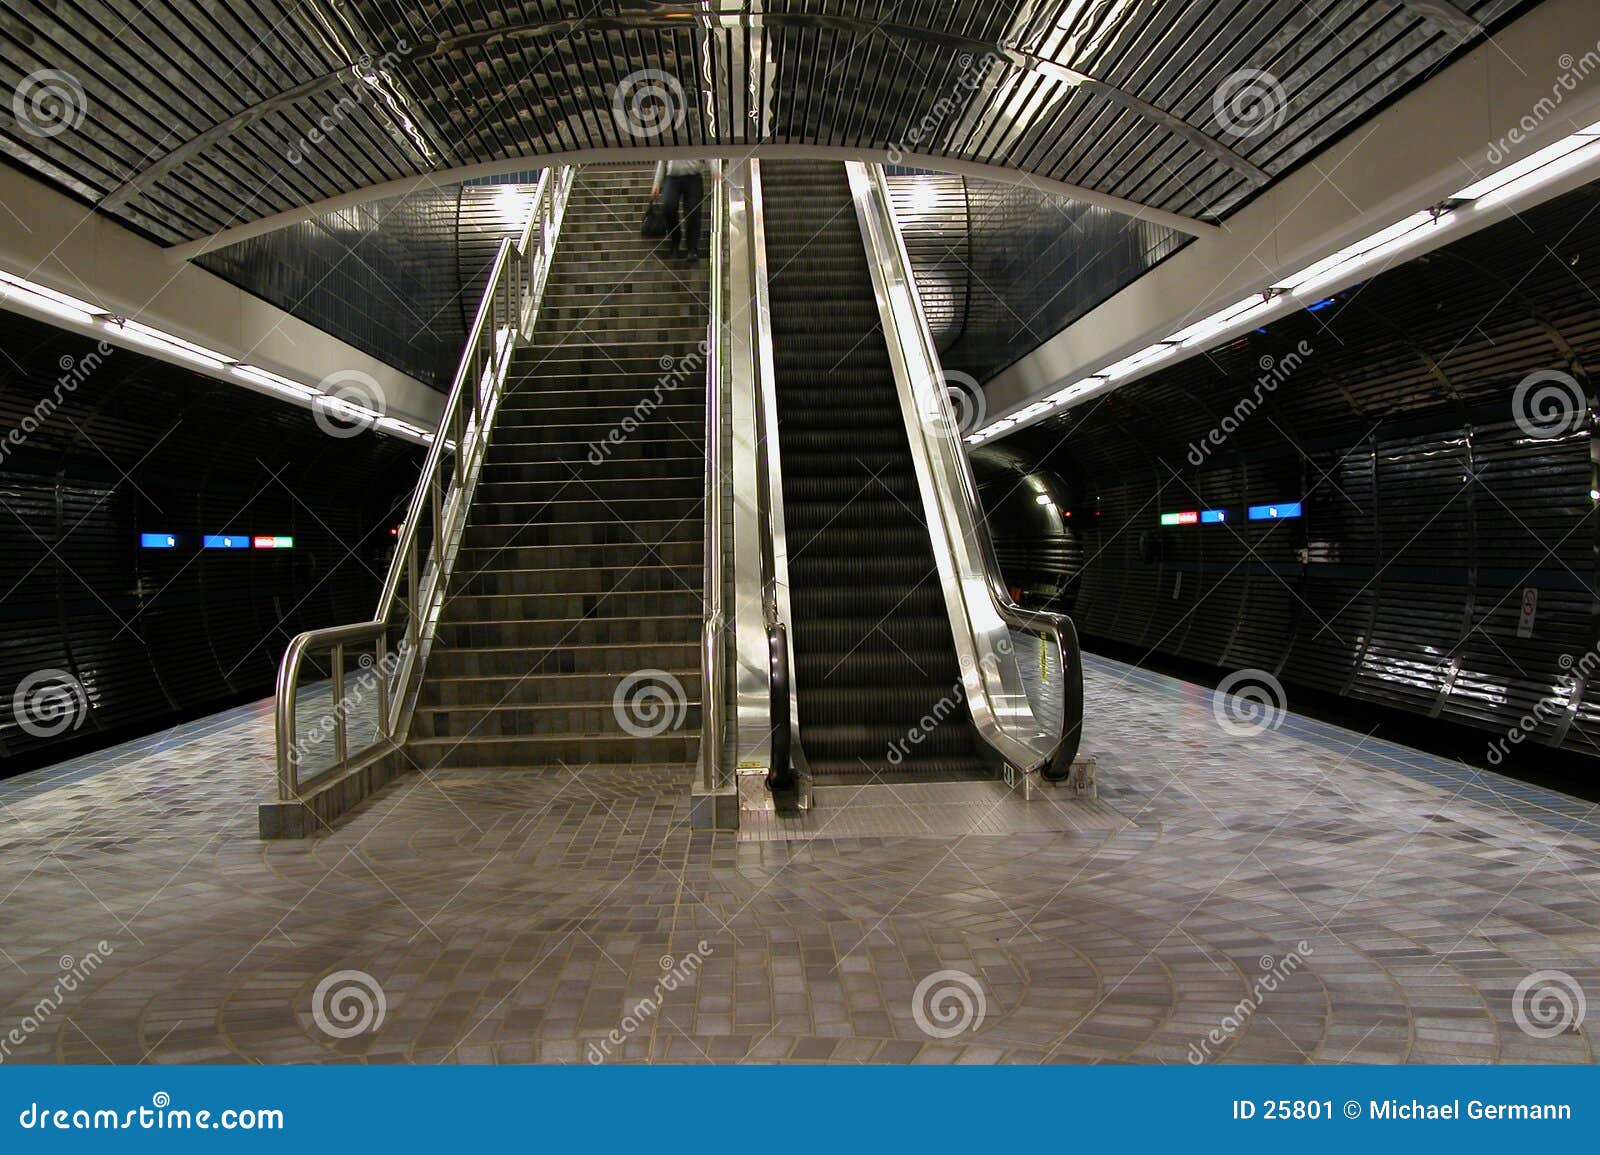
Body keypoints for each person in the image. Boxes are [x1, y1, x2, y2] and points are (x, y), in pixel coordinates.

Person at [651, 159, 706, 261]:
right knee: (668, 206)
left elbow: (708, 153)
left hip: (693, 177)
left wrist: (715, 169)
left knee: (693, 212)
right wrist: (657, 183)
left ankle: (692, 249)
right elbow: (662, 160)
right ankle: (675, 239)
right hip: (672, 177)